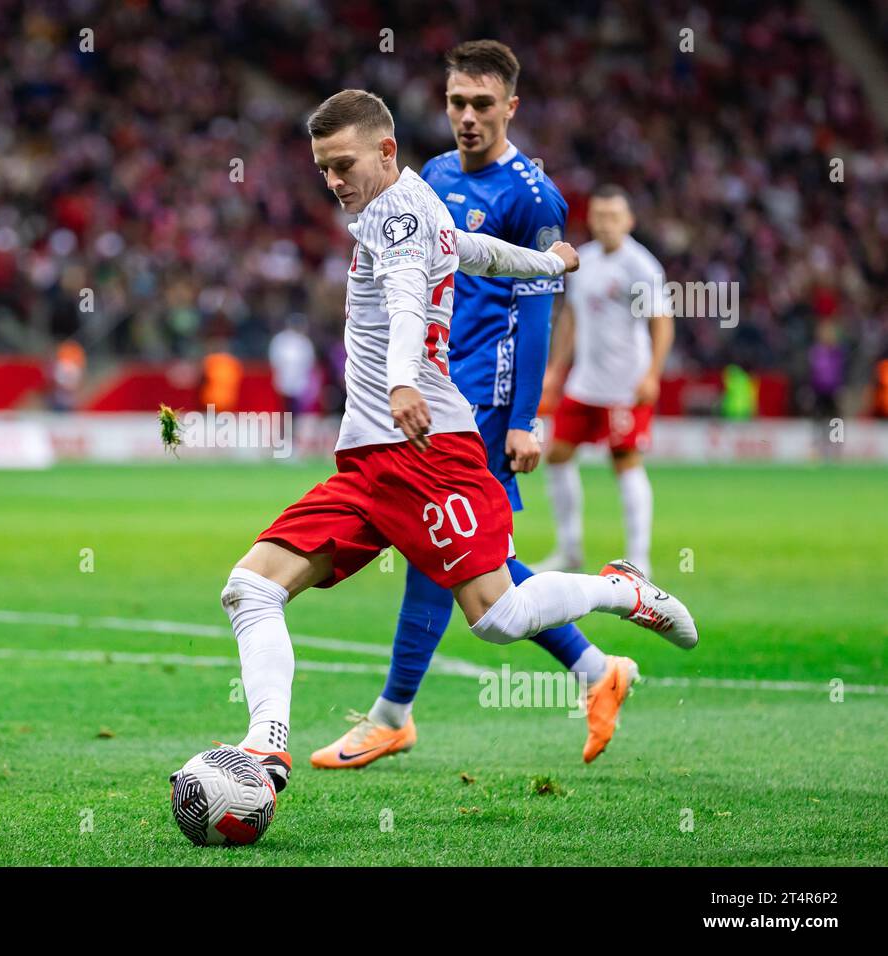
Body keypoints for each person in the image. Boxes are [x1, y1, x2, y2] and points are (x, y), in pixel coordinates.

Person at [202, 89, 697, 795]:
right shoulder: (409, 207)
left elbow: (407, 301)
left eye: (343, 164)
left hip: (429, 452)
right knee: (249, 588)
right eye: (322, 169)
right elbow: (472, 252)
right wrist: (548, 264)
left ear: (386, 150)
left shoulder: (400, 215)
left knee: (497, 619)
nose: (334, 180)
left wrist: (403, 380)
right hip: (371, 464)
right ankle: (266, 749)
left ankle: (619, 589)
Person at [310, 40, 636, 771]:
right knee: (477, 564)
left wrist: (525, 416)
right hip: (431, 388)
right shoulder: (431, 179)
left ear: (510, 107)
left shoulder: (533, 194)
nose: (465, 116)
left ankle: (392, 715)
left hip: (482, 398)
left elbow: (538, 305)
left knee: (442, 554)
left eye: (482, 104)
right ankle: (595, 670)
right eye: (456, 101)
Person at [536, 186, 673, 575]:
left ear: (628, 221)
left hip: (625, 386)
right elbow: (572, 319)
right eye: (599, 216)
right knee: (558, 455)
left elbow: (662, 323)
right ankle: (569, 549)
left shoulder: (641, 266)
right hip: (584, 383)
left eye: (614, 216)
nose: (606, 223)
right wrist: (557, 369)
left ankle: (639, 559)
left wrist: (652, 375)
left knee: (625, 460)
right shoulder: (585, 261)